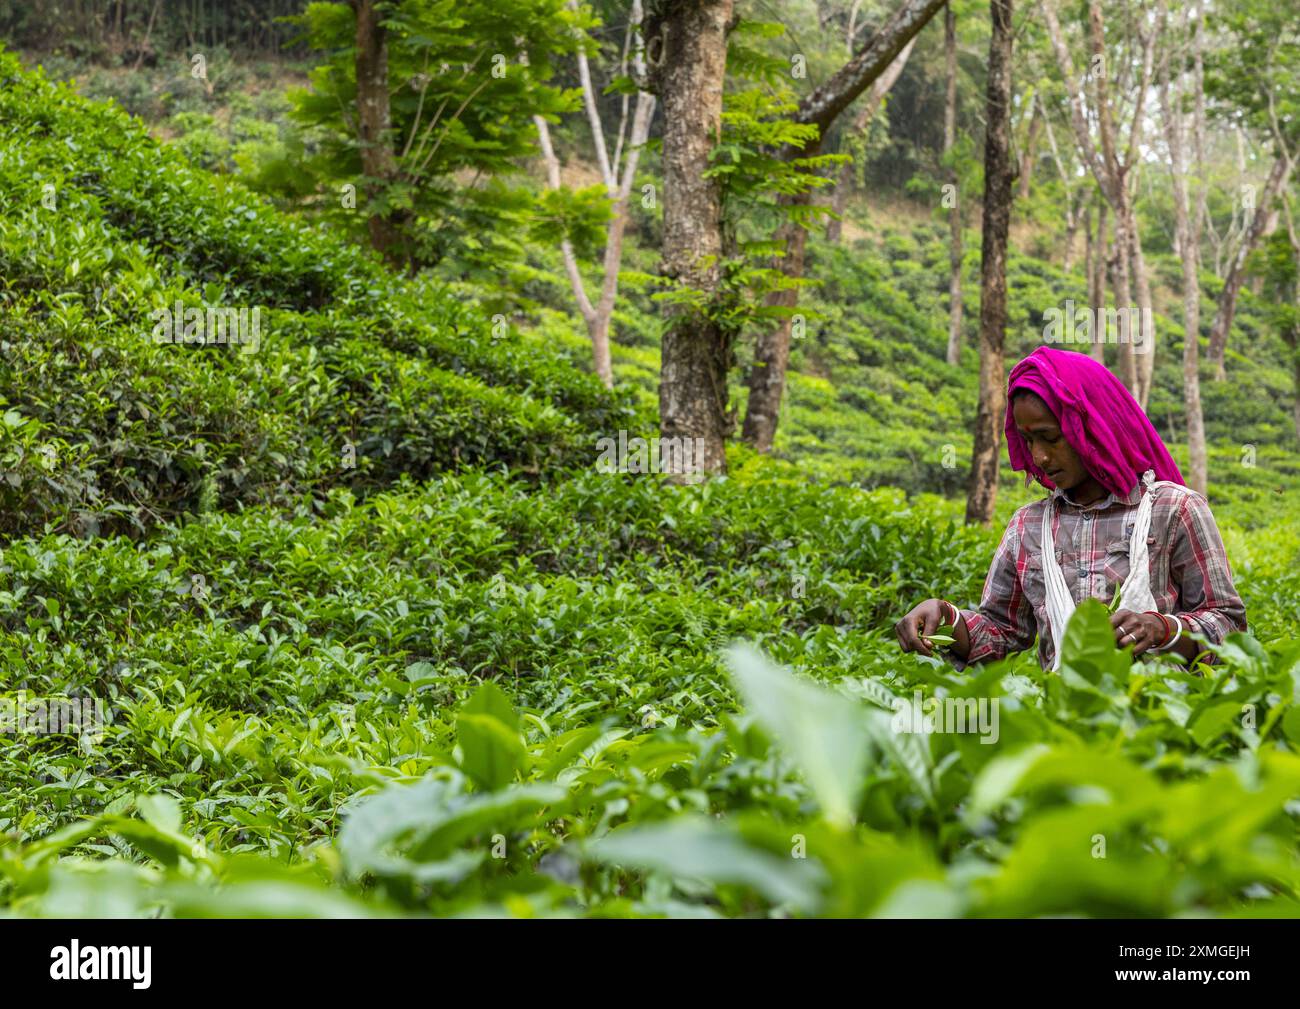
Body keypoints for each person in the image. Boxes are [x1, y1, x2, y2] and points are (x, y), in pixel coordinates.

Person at [895, 346, 1246, 670]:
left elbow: (1229, 626)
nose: (1039, 457)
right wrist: (946, 617)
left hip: (1161, 722)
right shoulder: (1028, 527)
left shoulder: (1174, 510)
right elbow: (1002, 632)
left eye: (1051, 438)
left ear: (1090, 428)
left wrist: (1163, 630)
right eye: (1028, 440)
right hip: (1065, 726)